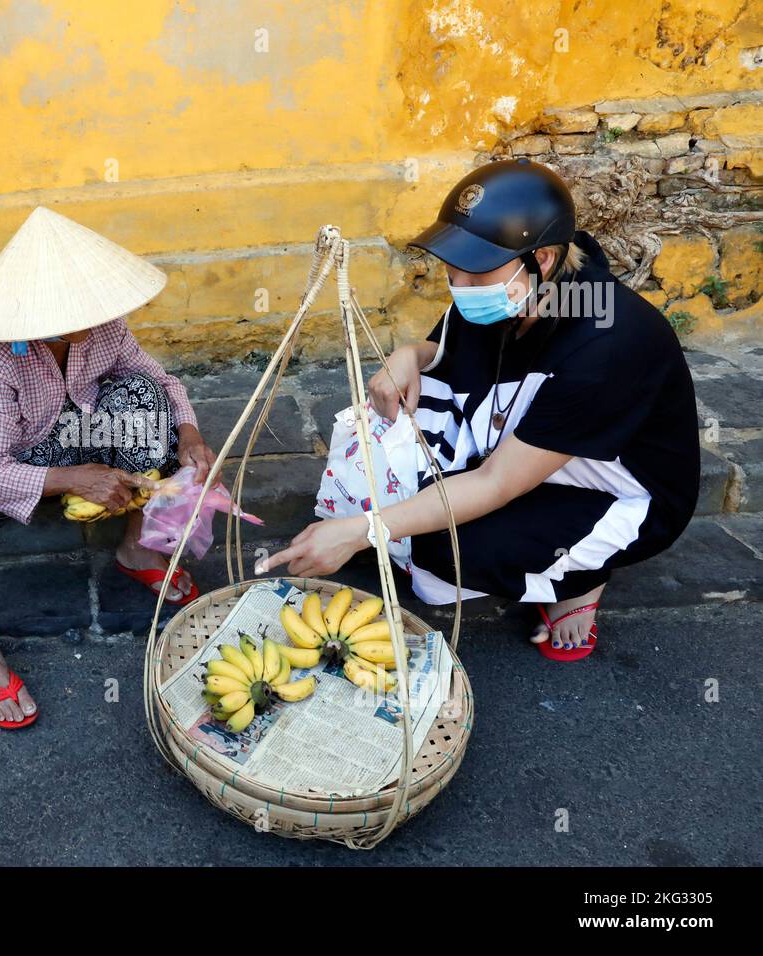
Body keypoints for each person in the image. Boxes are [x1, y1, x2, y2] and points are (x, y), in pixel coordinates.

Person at [260, 159, 699, 661]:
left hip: (614, 491)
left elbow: (495, 484)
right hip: (527, 449)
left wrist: (363, 531)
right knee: (393, 465)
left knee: (440, 546)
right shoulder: (506, 292)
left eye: (476, 268)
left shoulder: (608, 345)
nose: (459, 284)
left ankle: (580, 580)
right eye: (453, 265)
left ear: (546, 260)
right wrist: (408, 357)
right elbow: (443, 354)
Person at [0, 207, 215, 728]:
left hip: (71, 437)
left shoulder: (102, 328)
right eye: (81, 308)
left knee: (142, 396)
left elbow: (160, 381)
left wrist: (190, 434)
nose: (97, 315)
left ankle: (136, 545)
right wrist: (76, 478)